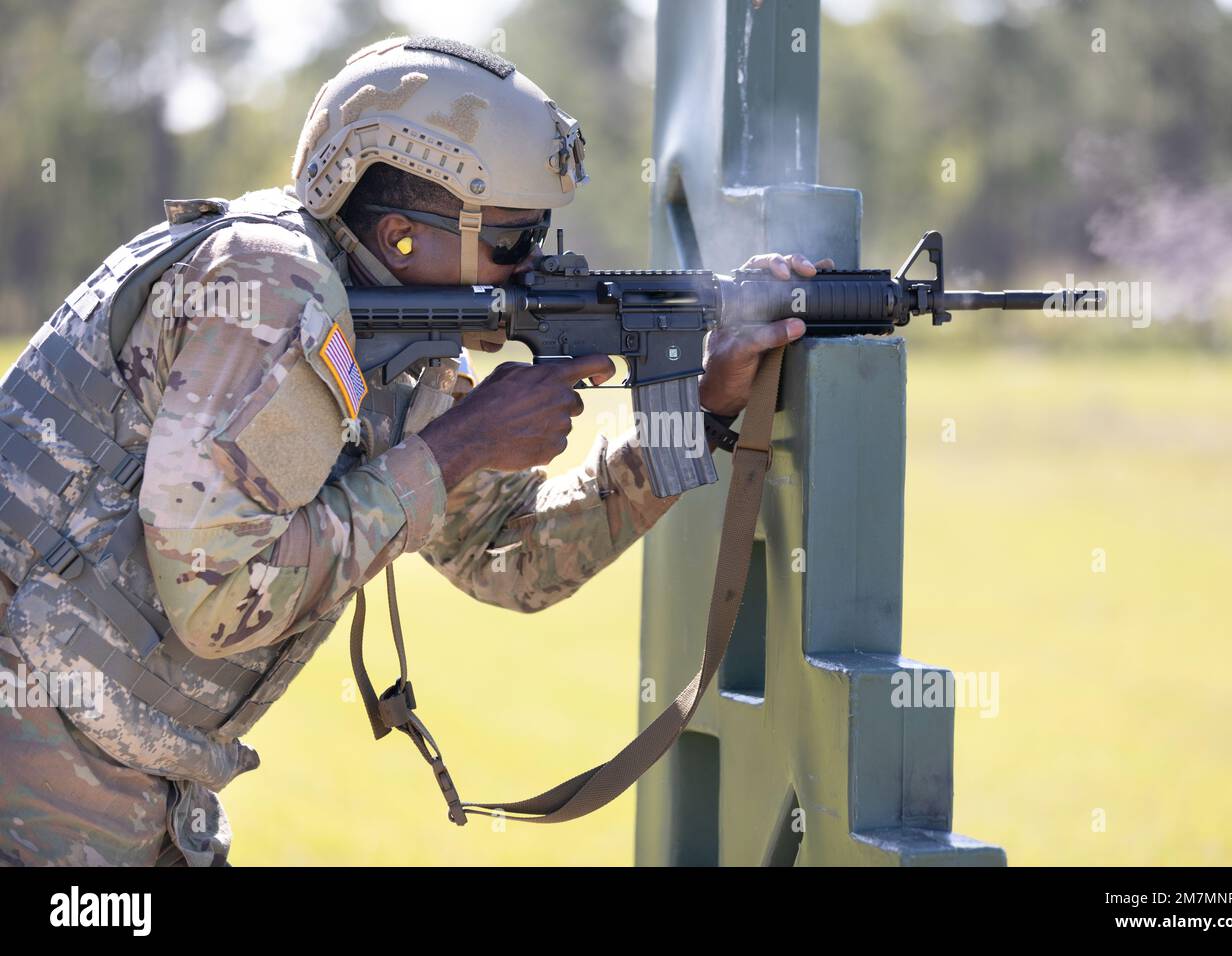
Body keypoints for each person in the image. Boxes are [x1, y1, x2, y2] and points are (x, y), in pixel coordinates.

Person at [0, 35, 828, 866]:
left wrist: (700, 407)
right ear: (399, 236)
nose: (535, 262)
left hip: (113, 773)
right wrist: (461, 443)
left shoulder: (403, 349)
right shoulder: (266, 285)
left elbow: (514, 556)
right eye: (512, 238)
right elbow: (218, 597)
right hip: (36, 762)